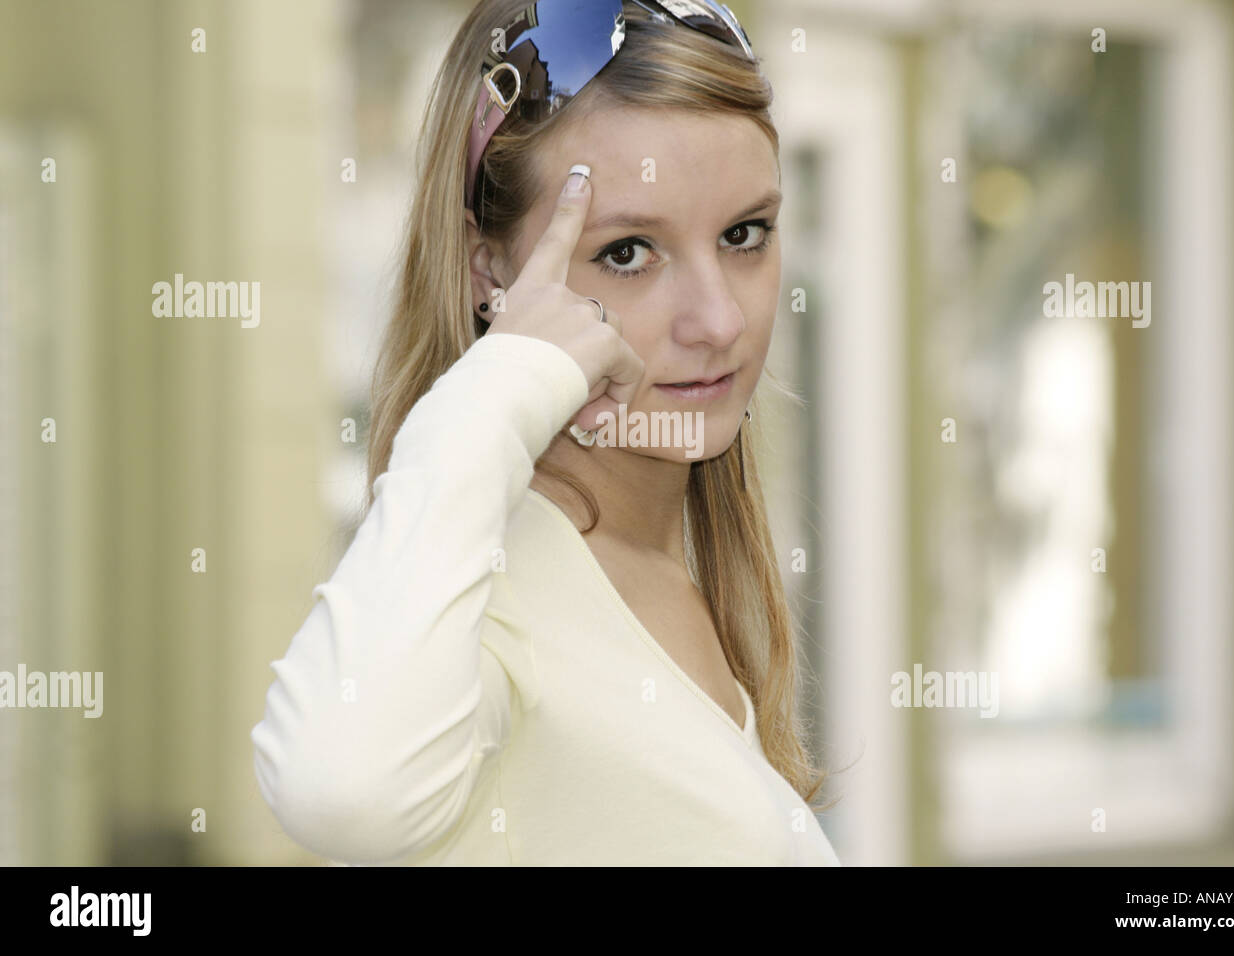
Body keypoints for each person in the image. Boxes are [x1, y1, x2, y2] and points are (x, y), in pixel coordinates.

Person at [251, 0, 842, 865]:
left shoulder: (668, 571)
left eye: (744, 234)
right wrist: (502, 383)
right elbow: (335, 792)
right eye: (630, 252)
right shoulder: (491, 585)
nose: (719, 320)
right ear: (490, 268)